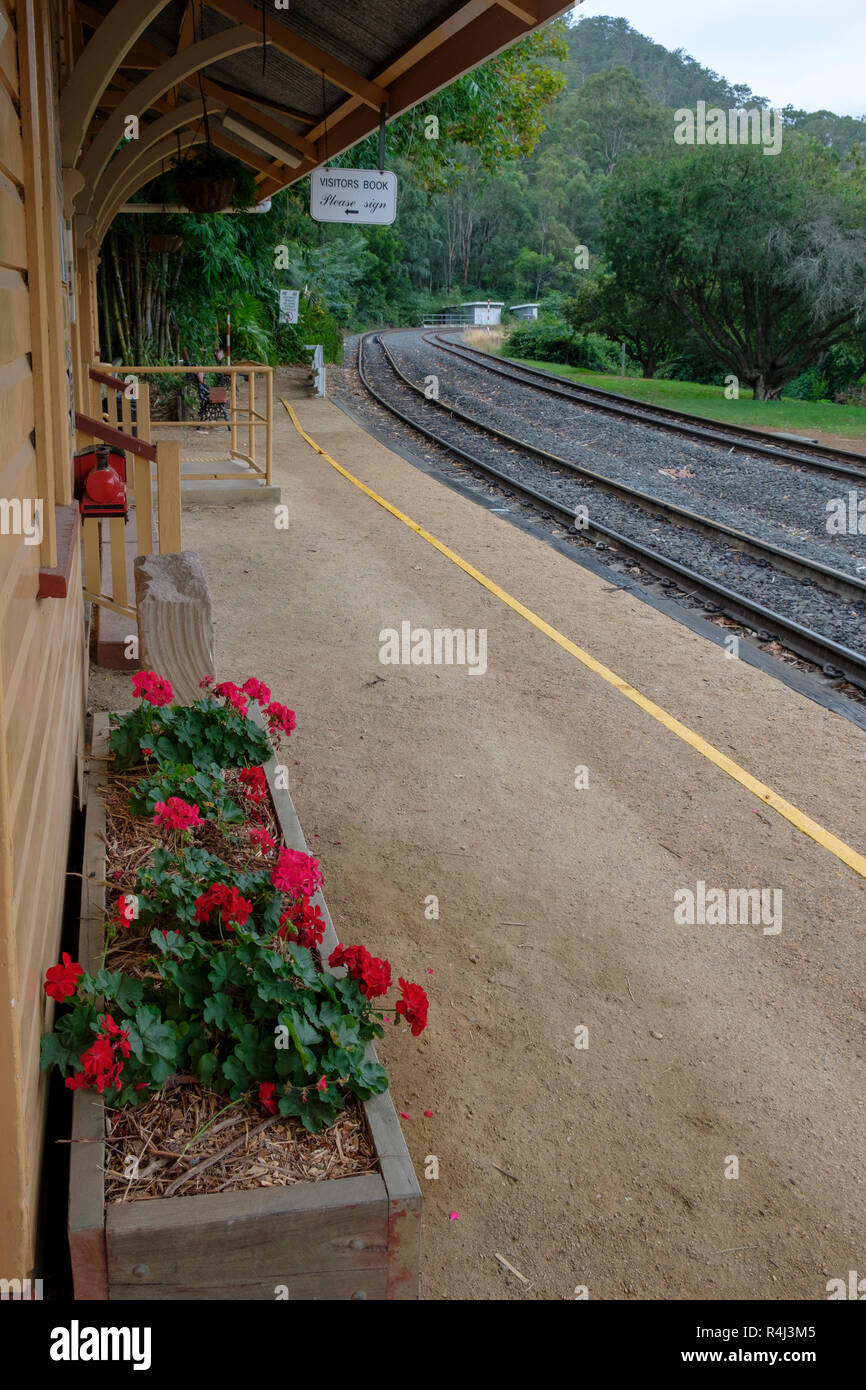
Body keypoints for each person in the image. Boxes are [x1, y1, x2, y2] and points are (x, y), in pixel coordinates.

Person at [195, 347, 230, 432]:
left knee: (223, 383)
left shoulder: (219, 364)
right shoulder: (219, 365)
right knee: (223, 386)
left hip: (208, 390)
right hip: (206, 393)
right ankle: (228, 425)